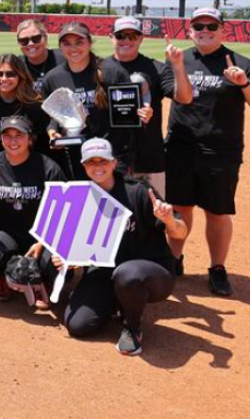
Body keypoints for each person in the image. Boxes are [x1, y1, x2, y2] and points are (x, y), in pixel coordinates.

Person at [164, 7, 250, 295]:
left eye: (211, 26)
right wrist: (176, 66)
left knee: (217, 211)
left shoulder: (240, 62)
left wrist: (244, 83)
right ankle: (173, 261)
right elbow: (176, 96)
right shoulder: (179, 59)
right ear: (190, 30)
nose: (205, 31)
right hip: (181, 147)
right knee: (180, 207)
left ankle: (217, 268)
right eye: (199, 26)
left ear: (223, 29)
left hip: (221, 150)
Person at [60, 138, 187, 356]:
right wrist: (67, 258)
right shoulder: (81, 196)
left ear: (113, 163)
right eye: (92, 162)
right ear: (84, 166)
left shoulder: (137, 192)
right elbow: (72, 243)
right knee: (78, 325)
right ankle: (118, 301)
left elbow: (181, 231)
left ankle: (132, 327)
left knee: (127, 274)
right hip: (106, 272)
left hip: (151, 272)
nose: (98, 167)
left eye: (103, 161)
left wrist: (168, 221)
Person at [0, 116, 65, 306]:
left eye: (19, 135)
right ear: (1, 139)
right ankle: (2, 274)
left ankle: (43, 280)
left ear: (30, 139)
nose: (13, 141)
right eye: (7, 136)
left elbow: (61, 213)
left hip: (40, 235)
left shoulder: (48, 167)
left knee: (55, 264)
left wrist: (42, 244)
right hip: (6, 233)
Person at [41, 22, 147, 177]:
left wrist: (142, 112)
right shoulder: (53, 78)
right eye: (67, 44)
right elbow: (54, 117)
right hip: (78, 156)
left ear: (90, 43)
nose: (73, 48)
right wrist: (53, 133)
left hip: (112, 156)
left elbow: (129, 112)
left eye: (79, 42)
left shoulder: (112, 72)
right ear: (60, 47)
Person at [109, 16, 193, 197]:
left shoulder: (156, 68)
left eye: (132, 36)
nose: (126, 40)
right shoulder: (100, 68)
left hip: (149, 156)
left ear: (141, 39)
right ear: (112, 37)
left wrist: (178, 66)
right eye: (121, 36)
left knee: (155, 216)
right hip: (110, 158)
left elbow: (185, 98)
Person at [0, 54, 49, 160]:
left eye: (10, 74)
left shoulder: (33, 103)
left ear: (20, 76)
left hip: (25, 157)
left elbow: (39, 143)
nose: (4, 79)